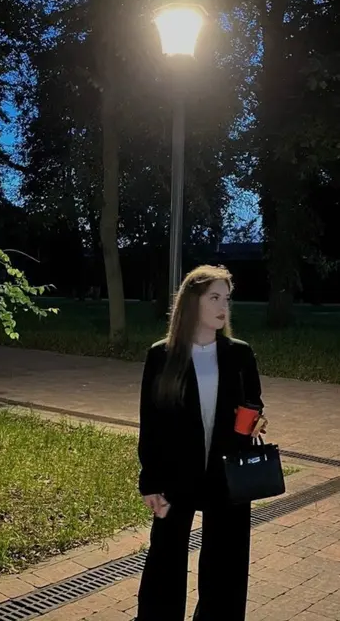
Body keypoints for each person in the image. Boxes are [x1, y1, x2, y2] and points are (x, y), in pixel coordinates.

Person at [134, 264, 268, 621]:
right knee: (165, 555)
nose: (224, 306)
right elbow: (151, 422)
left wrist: (254, 420)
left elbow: (254, 403)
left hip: (228, 475)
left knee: (227, 562)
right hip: (175, 475)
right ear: (192, 302)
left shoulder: (239, 354)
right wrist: (150, 482)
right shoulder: (162, 355)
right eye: (214, 298)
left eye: (227, 298)